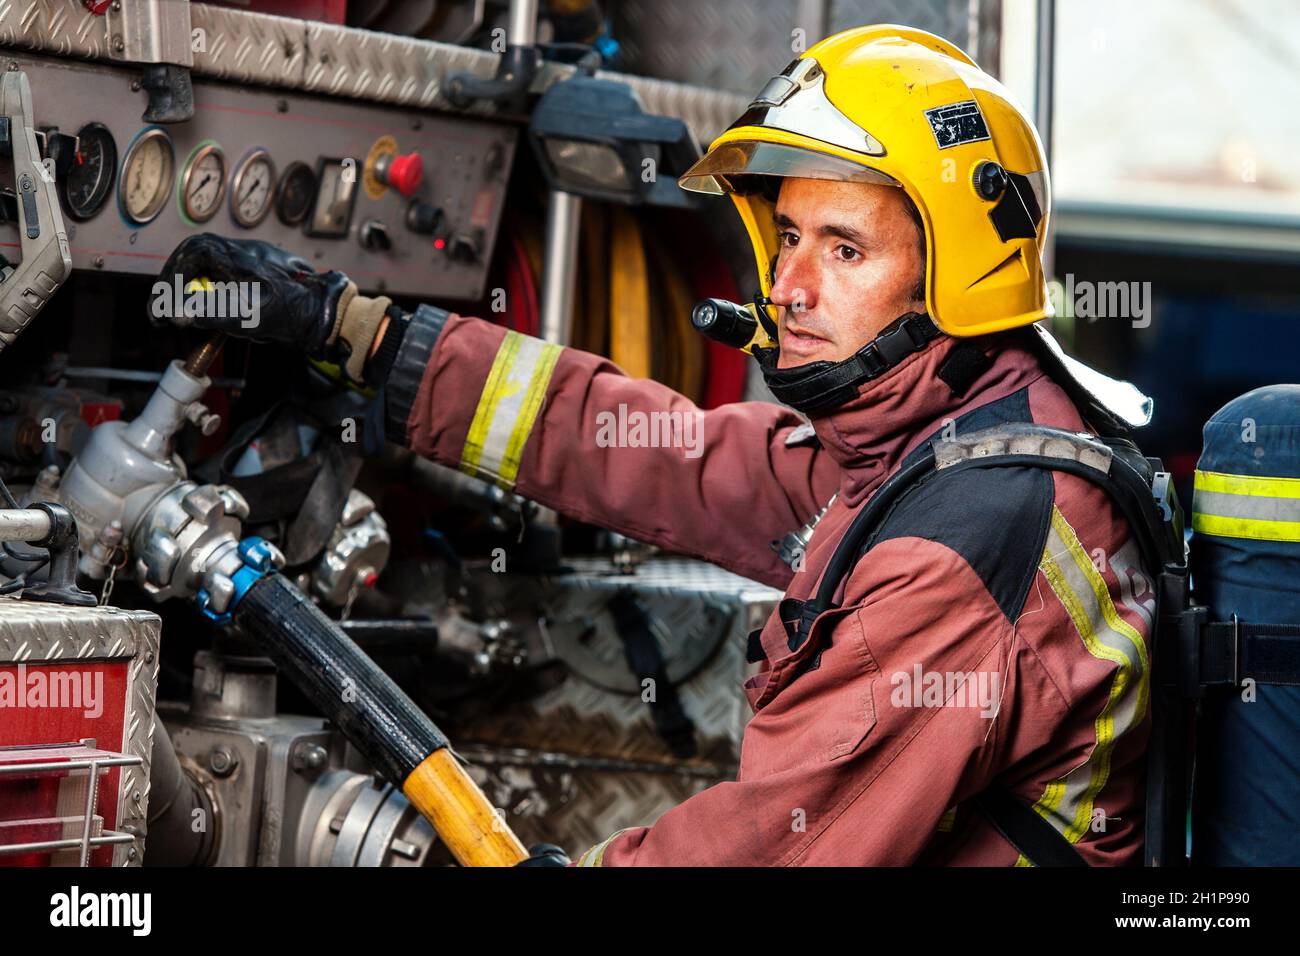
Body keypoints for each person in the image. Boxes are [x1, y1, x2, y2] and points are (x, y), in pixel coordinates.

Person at [154, 24, 1157, 866]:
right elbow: (671, 456)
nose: (789, 287)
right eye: (790, 236)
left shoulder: (964, 542)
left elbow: (773, 848)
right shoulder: (954, 429)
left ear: (960, 275)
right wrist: (365, 337)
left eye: (843, 249)